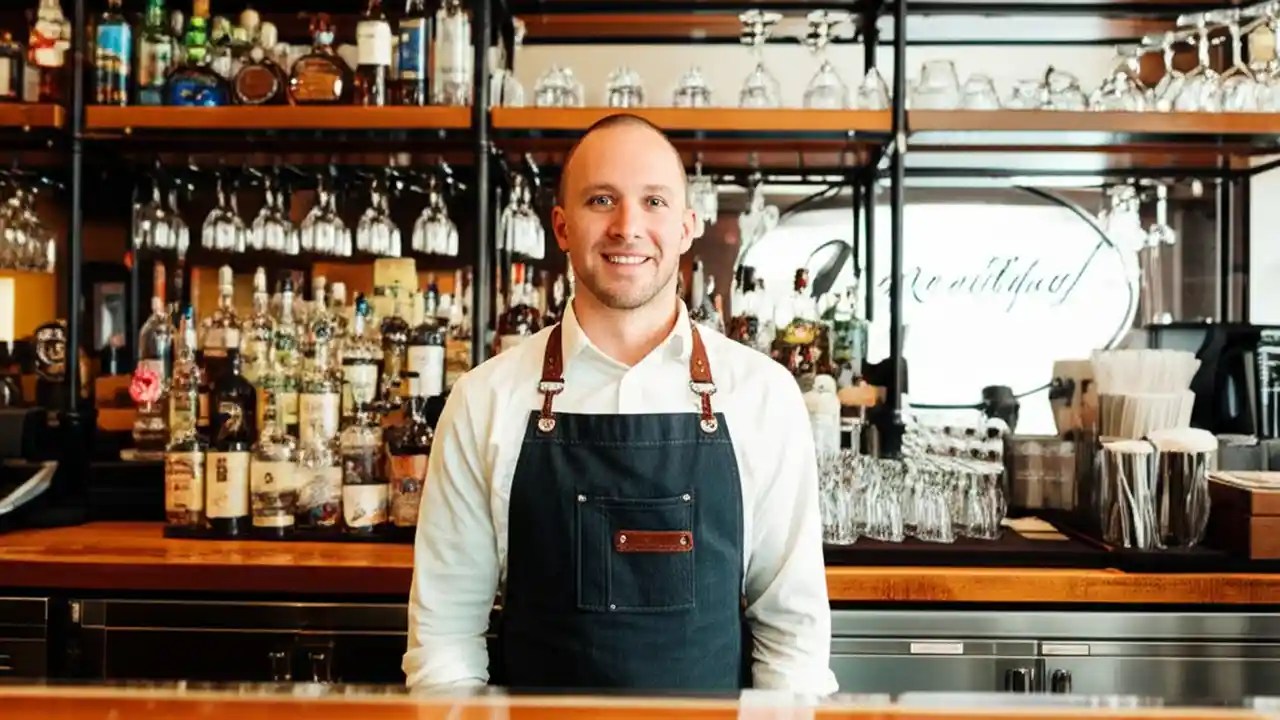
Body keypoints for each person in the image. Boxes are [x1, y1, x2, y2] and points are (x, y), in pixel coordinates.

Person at [403, 113, 837, 695]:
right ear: (561, 226)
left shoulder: (763, 395)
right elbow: (445, 641)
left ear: (687, 228)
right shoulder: (484, 399)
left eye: (654, 201)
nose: (627, 226)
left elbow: (792, 637)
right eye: (601, 199)